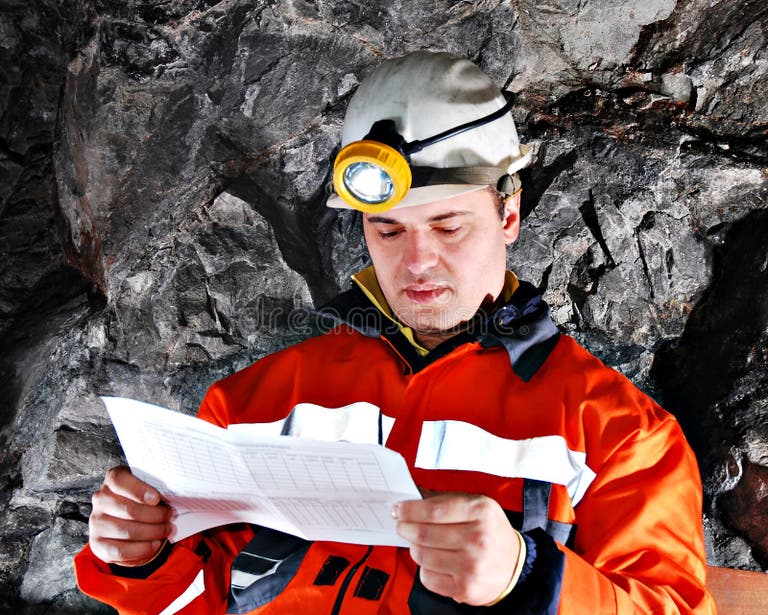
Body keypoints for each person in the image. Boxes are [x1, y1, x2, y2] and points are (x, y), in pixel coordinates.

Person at [75, 51, 716, 614]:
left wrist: (529, 582)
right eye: (388, 230)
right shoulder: (252, 404)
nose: (416, 263)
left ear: (509, 212)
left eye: (448, 226)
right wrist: (141, 560)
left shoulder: (620, 437)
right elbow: (198, 600)